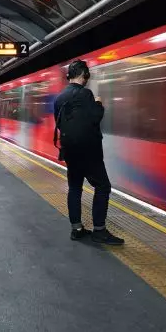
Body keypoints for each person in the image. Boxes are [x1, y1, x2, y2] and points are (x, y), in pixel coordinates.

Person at [54, 60, 124, 245]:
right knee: (102, 187)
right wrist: (99, 104)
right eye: (87, 75)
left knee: (75, 187)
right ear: (84, 74)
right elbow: (94, 118)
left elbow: (59, 124)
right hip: (89, 150)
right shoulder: (85, 94)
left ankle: (76, 229)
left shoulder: (59, 97)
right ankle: (99, 231)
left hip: (69, 150)